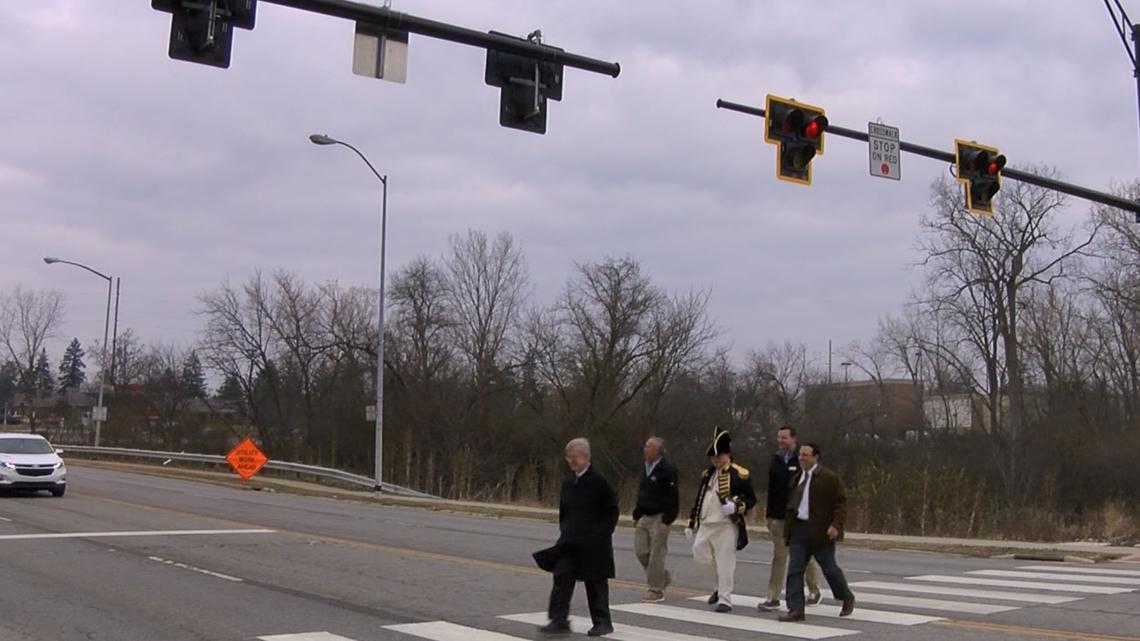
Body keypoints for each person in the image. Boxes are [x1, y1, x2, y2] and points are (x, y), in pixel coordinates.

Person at [539, 438, 619, 637]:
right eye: (569, 457)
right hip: (570, 542)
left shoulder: (599, 481)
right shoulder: (568, 482)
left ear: (585, 457)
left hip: (594, 544)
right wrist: (565, 530)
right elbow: (564, 511)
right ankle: (558, 620)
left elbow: (612, 511)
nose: (571, 461)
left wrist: (602, 534)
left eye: (574, 457)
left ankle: (602, 622)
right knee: (561, 577)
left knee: (596, 583)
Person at [779, 442, 856, 623]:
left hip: (821, 531)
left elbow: (841, 504)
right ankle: (795, 609)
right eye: (800, 455)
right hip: (799, 529)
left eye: (806, 455)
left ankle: (846, 596)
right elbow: (791, 506)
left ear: (815, 457)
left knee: (830, 569)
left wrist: (835, 525)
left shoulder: (829, 478)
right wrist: (787, 530)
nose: (801, 458)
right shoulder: (796, 479)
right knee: (794, 570)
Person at [684, 428, 756, 613]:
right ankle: (717, 587)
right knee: (700, 553)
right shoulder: (707, 474)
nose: (715, 459)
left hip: (726, 525)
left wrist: (736, 506)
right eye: (713, 457)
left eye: (719, 455)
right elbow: (700, 498)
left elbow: (750, 499)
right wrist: (692, 523)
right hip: (706, 522)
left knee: (725, 563)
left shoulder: (738, 474)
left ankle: (725, 598)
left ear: (727, 454)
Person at [758, 425, 822, 611]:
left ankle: (814, 589)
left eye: (784, 437)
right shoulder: (776, 459)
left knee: (802, 555)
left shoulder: (801, 460)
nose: (780, 440)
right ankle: (773, 596)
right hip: (777, 515)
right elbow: (772, 488)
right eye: (779, 437)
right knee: (779, 556)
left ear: (793, 439)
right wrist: (768, 513)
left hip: (796, 515)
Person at [632, 436, 679, 603]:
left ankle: (656, 590)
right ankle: (662, 577)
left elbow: (674, 497)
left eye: (648, 447)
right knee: (641, 551)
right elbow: (642, 492)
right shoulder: (645, 467)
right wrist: (636, 514)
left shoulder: (667, 469)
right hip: (644, 515)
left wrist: (668, 519)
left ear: (657, 450)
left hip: (660, 517)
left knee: (656, 556)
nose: (645, 449)